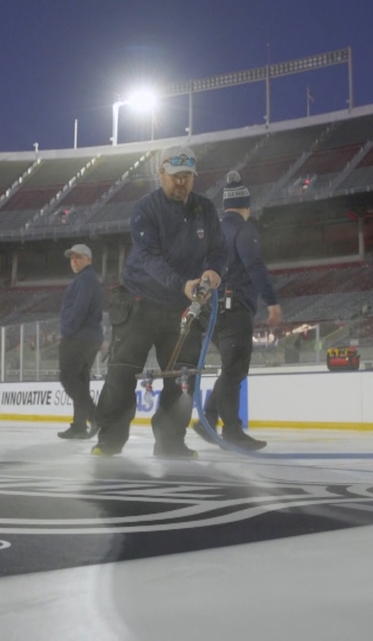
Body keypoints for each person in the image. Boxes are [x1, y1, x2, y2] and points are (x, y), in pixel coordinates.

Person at [91, 145, 227, 459]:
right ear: (161, 173)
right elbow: (149, 259)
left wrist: (214, 270)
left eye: (188, 177)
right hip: (140, 303)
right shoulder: (145, 209)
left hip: (183, 306)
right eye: (176, 176)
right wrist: (183, 285)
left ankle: (170, 442)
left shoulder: (205, 209)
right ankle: (109, 440)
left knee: (183, 378)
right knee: (122, 373)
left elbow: (219, 249)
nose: (182, 182)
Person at [192, 171, 281, 451]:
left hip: (211, 312)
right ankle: (230, 429)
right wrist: (272, 301)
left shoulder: (213, 232)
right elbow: (254, 266)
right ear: (246, 206)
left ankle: (208, 417)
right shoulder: (245, 230)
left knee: (230, 369)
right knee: (234, 370)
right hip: (234, 309)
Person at [56, 243, 104, 440]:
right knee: (81, 381)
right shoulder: (87, 279)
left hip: (79, 338)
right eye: (72, 258)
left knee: (68, 377)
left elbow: (79, 309)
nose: (74, 261)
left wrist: (67, 330)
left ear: (88, 259)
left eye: (79, 257)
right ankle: (78, 425)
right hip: (88, 337)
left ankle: (94, 416)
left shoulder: (85, 280)